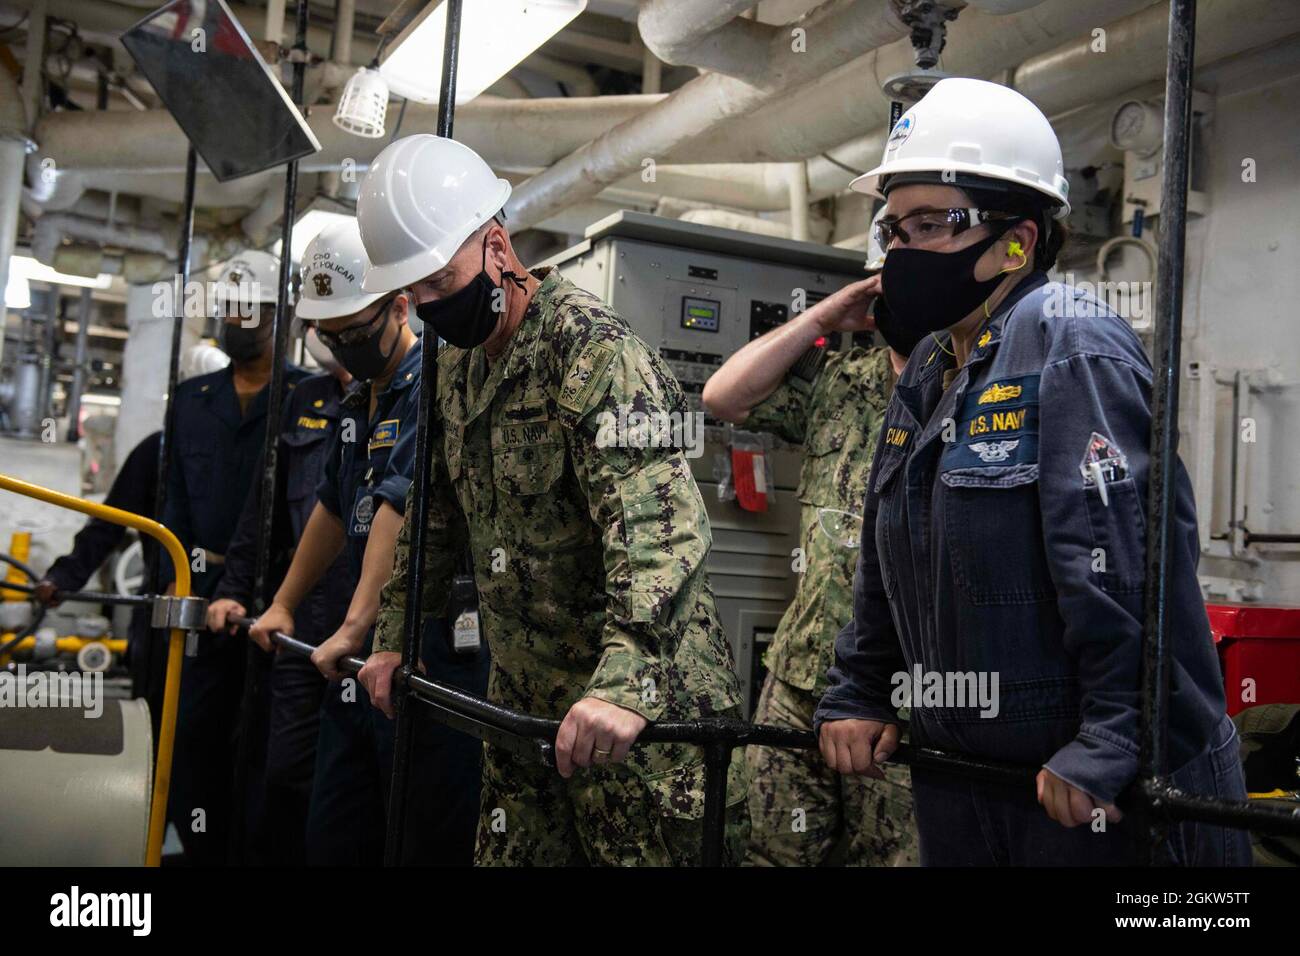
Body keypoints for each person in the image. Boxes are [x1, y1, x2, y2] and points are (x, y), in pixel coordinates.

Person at [814, 77, 1251, 866]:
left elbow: (1125, 568)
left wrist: (1112, 741)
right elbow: (887, 559)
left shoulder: (1073, 347)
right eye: (893, 228)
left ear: (1015, 243)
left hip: (1098, 795)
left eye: (928, 224)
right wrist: (861, 688)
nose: (900, 251)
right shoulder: (927, 370)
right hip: (969, 782)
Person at [355, 134, 749, 866]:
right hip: (524, 711)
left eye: (443, 283)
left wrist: (624, 687)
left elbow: (659, 531)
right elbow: (432, 515)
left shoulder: (595, 352)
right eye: (417, 296)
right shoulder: (453, 365)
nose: (431, 311)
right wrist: (394, 636)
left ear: (497, 248)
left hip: (639, 715)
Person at [248, 220, 487, 866]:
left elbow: (396, 507)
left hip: (426, 654)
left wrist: (356, 627)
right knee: (335, 835)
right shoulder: (358, 402)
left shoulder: (431, 384)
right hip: (357, 666)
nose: (343, 349)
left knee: (419, 841)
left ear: (400, 307)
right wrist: (284, 604)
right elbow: (333, 506)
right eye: (330, 339)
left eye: (355, 334)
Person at [702, 226, 918, 866]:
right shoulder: (841, 381)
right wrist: (825, 313)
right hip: (801, 679)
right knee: (768, 853)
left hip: (899, 697)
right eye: (889, 280)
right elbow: (723, 395)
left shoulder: (966, 393)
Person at [162, 249, 308, 865]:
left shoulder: (308, 398)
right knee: (191, 744)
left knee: (264, 756)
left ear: (284, 317)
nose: (236, 319)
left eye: (251, 311)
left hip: (275, 612)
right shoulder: (191, 401)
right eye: (229, 308)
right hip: (197, 601)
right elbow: (167, 505)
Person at [205, 329, 353, 865]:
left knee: (358, 783)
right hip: (304, 615)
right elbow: (262, 508)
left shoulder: (414, 391)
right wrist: (233, 591)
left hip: (375, 621)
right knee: (287, 770)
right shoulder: (305, 399)